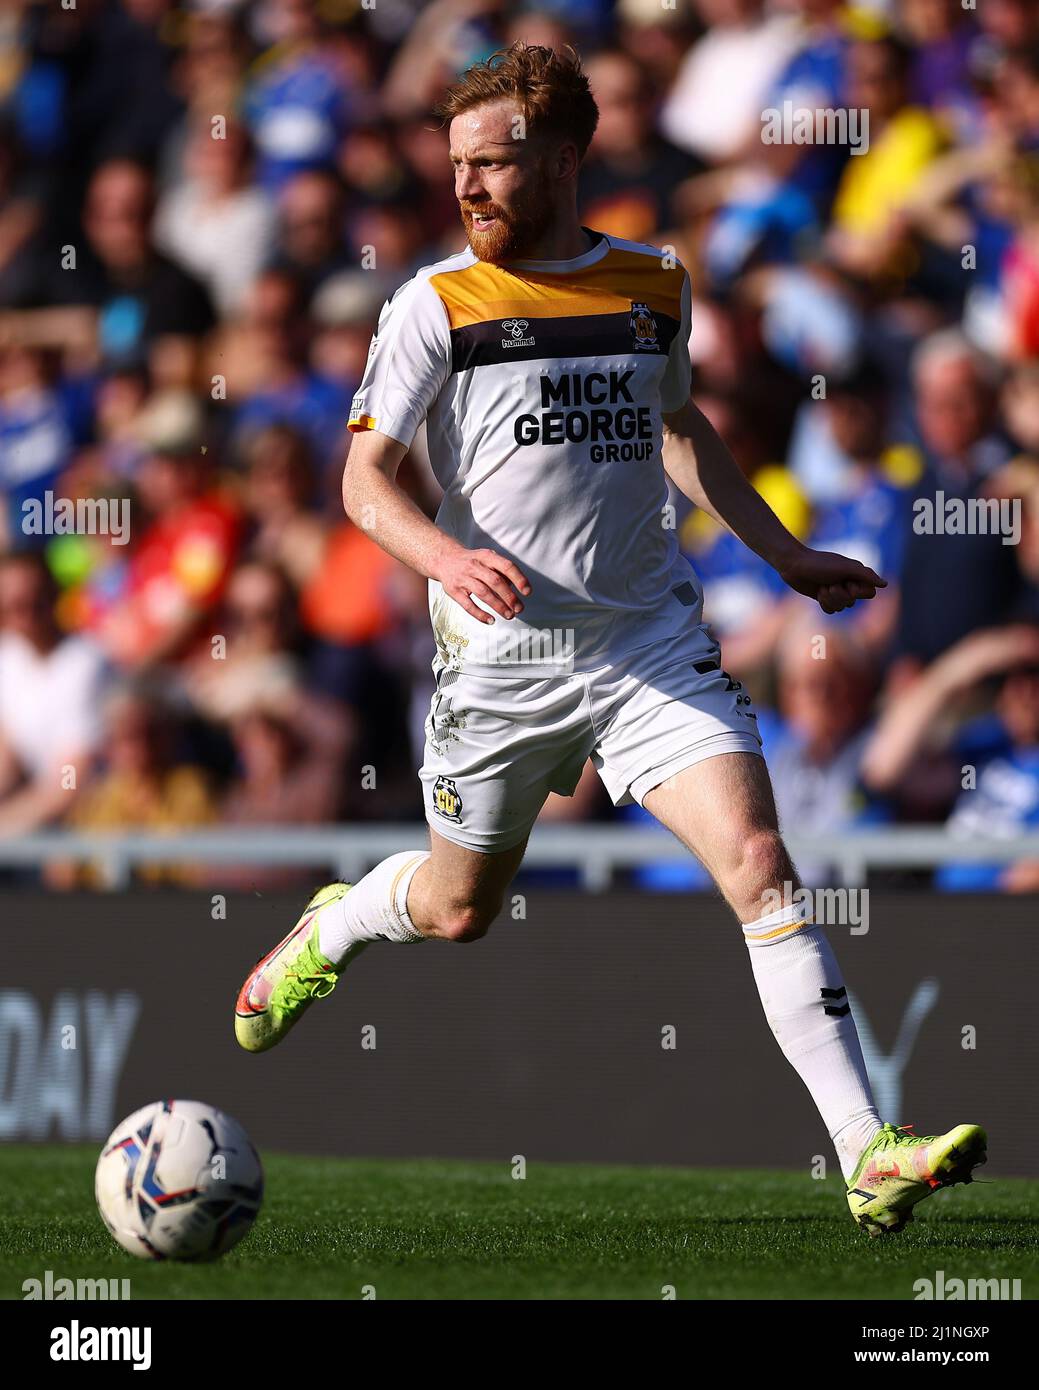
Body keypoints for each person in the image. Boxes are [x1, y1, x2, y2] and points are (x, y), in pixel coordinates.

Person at [233, 43, 985, 1237]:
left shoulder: (652, 283)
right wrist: (445, 556)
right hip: (501, 659)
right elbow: (363, 486)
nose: (470, 186)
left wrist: (779, 552)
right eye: (459, 165)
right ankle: (341, 918)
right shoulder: (432, 304)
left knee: (758, 859)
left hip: (643, 644)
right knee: (458, 907)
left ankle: (867, 1151)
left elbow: (679, 427)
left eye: (496, 163)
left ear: (568, 159)